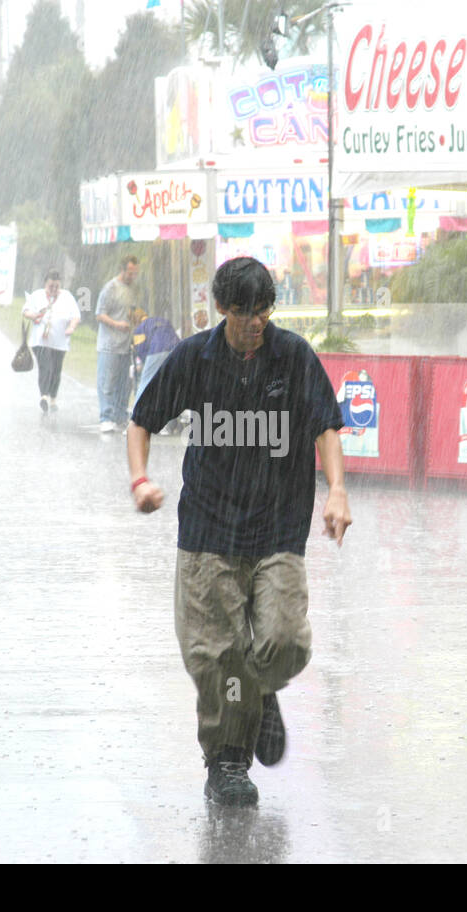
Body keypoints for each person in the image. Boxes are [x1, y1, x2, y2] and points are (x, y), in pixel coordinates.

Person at [127, 256, 352, 806]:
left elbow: (325, 424)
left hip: (278, 525)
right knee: (213, 656)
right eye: (243, 313)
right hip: (208, 526)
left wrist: (338, 491)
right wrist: (140, 479)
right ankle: (227, 762)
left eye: (263, 313)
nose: (255, 324)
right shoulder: (194, 357)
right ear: (222, 308)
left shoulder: (292, 356)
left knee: (286, 640)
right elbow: (141, 420)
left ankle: (261, 688)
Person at [22, 268, 80, 414]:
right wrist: (34, 315)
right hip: (40, 341)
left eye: (57, 287)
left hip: (60, 342)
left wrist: (71, 327)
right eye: (50, 286)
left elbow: (75, 316)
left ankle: (53, 397)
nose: (53, 289)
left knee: (56, 369)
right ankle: (44, 396)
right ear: (45, 285)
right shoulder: (37, 295)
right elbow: (25, 311)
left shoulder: (67, 297)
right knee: (45, 366)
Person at [94, 256, 139, 433]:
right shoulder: (110, 288)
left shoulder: (133, 289)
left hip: (126, 343)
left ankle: (120, 415)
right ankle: (106, 416)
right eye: (130, 272)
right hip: (109, 344)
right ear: (122, 270)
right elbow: (99, 314)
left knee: (125, 382)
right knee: (107, 381)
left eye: (135, 273)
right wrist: (117, 324)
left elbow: (131, 310)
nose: (133, 276)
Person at [131, 303, 181, 405]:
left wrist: (144, 364)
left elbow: (141, 350)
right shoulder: (162, 320)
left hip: (157, 351)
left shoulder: (140, 328)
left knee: (145, 382)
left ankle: (137, 413)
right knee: (169, 382)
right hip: (175, 350)